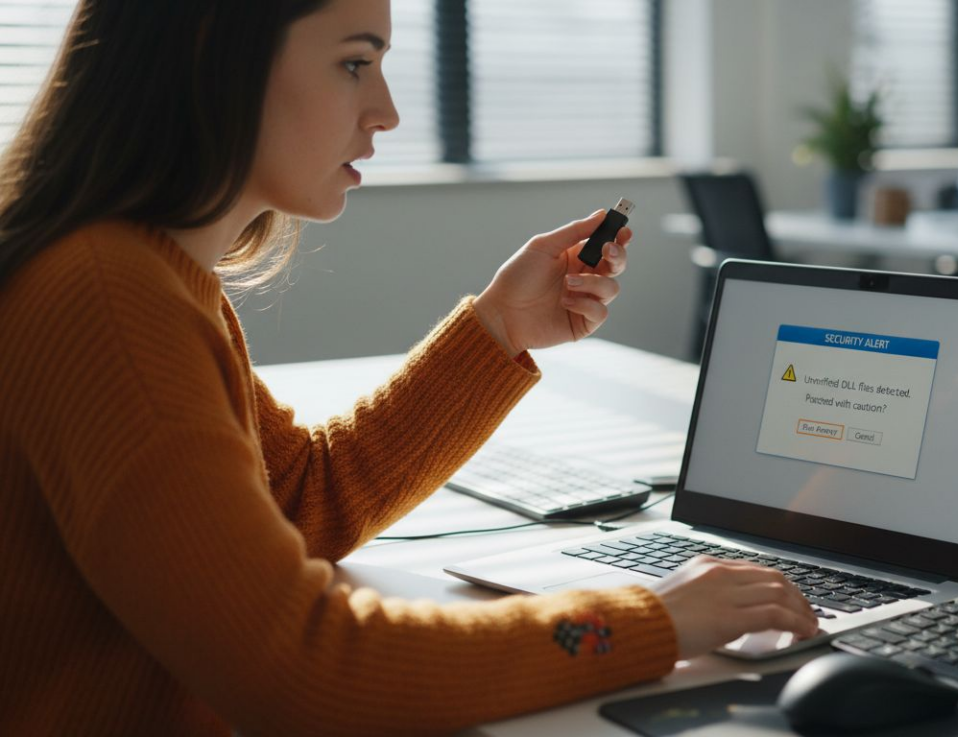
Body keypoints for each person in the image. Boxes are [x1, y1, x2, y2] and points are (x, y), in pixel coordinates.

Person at [0, 2, 818, 734]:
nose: (386, 112)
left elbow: (297, 501)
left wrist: (500, 329)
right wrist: (649, 621)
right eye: (355, 62)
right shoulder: (108, 299)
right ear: (217, 52)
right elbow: (305, 668)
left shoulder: (140, 274)